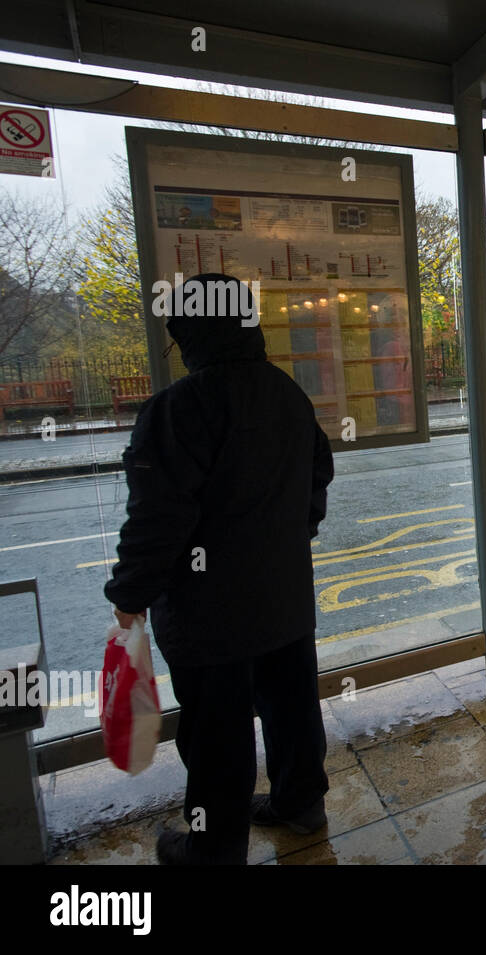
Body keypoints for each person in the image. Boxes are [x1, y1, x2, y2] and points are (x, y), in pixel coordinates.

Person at [104, 273, 334, 864]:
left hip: (210, 614)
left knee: (216, 733)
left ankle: (215, 848)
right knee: (291, 706)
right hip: (283, 596)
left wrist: (129, 593)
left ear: (191, 331)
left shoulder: (178, 410)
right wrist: (288, 539)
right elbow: (317, 480)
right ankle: (301, 802)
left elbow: (157, 519)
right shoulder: (287, 393)